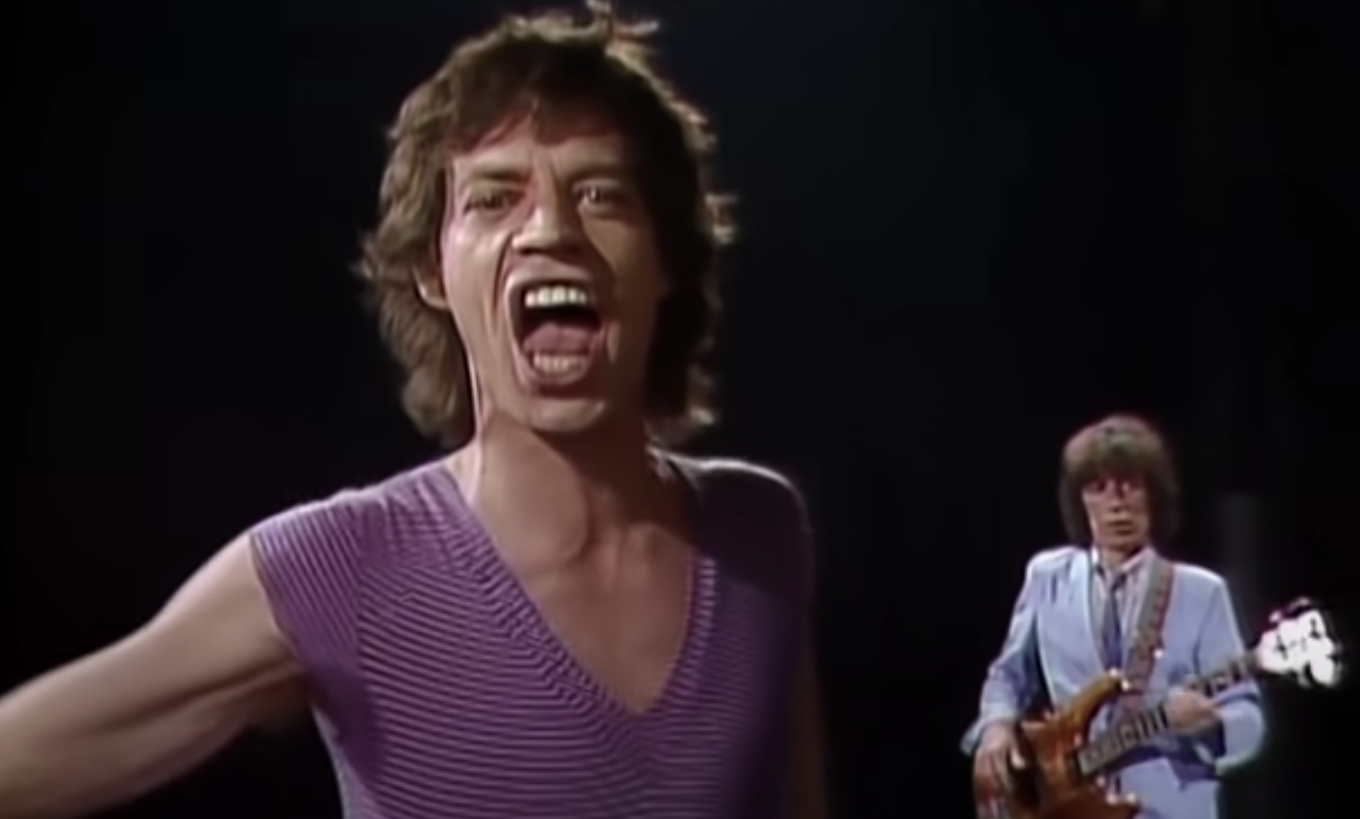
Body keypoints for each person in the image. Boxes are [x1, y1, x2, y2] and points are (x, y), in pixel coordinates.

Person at [0, 4, 827, 818]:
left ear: (666, 258)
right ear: (434, 270)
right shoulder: (338, 568)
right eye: (494, 199)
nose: (550, 229)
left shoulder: (761, 533)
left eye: (600, 194)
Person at [962, 414, 1265, 819]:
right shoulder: (1047, 577)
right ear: (1079, 501)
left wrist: (1212, 724)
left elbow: (1248, 716)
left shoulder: (1202, 593)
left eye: (1130, 486)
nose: (1116, 503)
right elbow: (1009, 676)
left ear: (1153, 496)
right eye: (1098, 488)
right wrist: (996, 727)